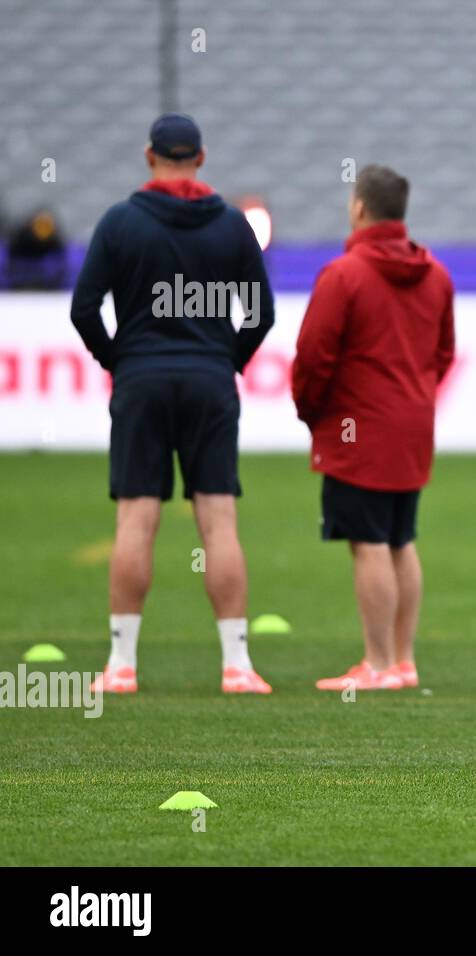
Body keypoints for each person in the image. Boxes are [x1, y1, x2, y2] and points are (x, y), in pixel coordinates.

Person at [70, 113, 275, 694]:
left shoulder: (120, 223)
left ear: (148, 155)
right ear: (201, 159)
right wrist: (225, 359)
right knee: (219, 519)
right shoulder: (232, 225)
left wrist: (120, 360)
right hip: (210, 382)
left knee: (136, 518)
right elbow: (261, 314)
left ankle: (122, 665)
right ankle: (236, 665)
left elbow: (84, 309)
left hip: (142, 381)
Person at [291, 164, 455, 692]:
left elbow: (313, 359)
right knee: (400, 539)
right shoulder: (436, 274)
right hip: (410, 426)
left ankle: (378, 663)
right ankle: (402, 660)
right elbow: (444, 353)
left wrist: (312, 411)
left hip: (356, 431)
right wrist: (414, 396)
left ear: (360, 207)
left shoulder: (343, 275)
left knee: (368, 542)